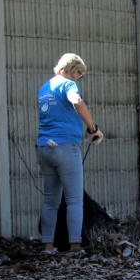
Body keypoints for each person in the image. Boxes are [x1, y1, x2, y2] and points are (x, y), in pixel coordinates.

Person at [37, 53, 103, 254]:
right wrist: (92, 128)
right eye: (79, 74)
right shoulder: (68, 84)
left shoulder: (45, 88)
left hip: (44, 148)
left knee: (50, 200)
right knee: (74, 199)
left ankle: (48, 245)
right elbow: (77, 101)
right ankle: (75, 246)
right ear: (73, 71)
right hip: (66, 147)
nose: (79, 78)